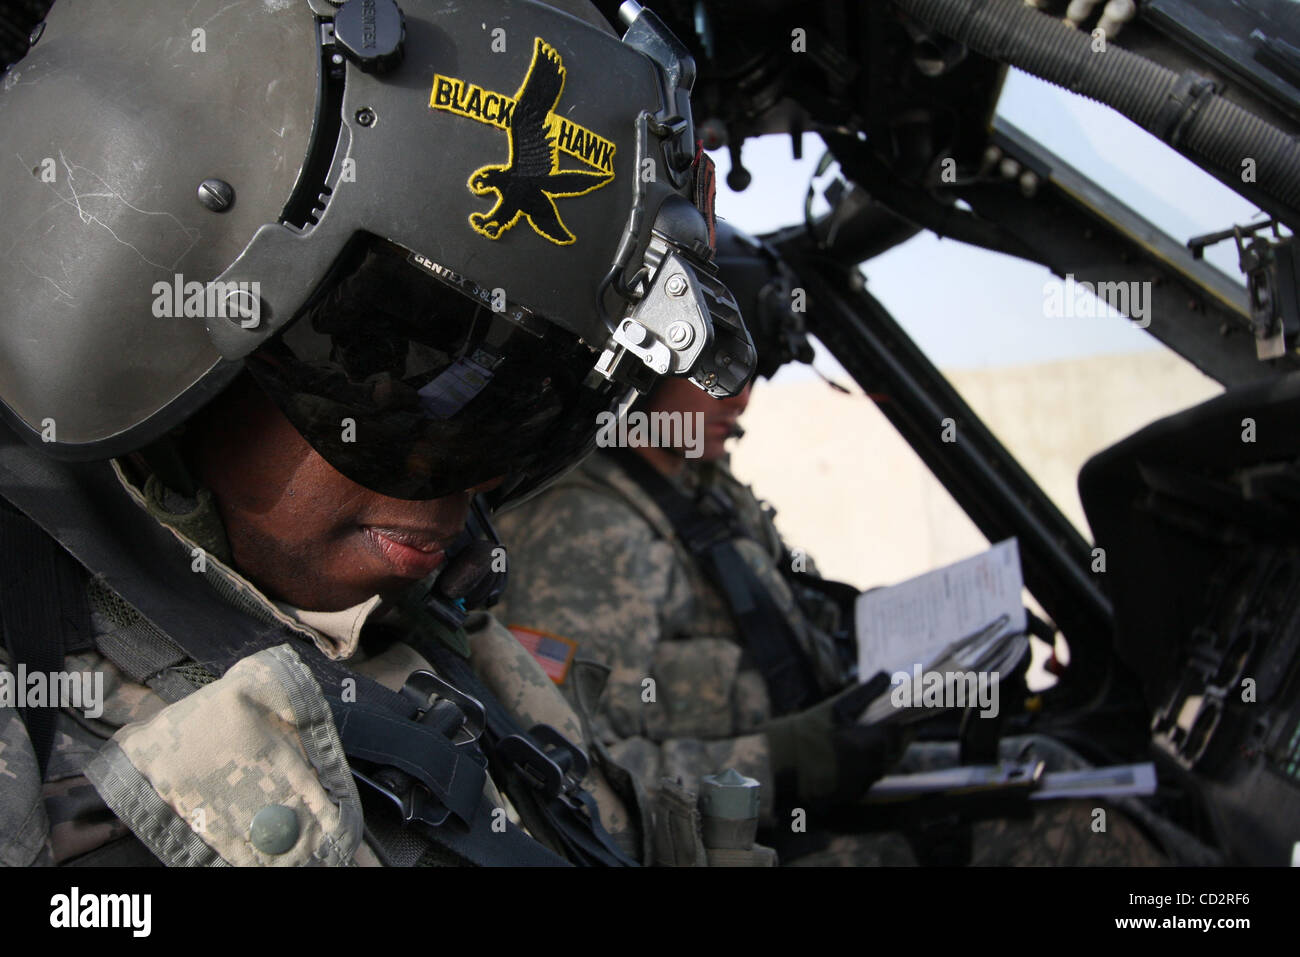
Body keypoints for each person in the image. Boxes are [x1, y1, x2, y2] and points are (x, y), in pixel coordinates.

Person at [0, 0, 755, 867]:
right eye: (405, 383)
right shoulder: (40, 738)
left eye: (536, 411)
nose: (462, 485)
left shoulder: (447, 638)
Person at [492, 221, 1169, 865]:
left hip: (814, 793)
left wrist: (930, 652)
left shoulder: (707, 490)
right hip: (737, 835)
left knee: (1065, 767)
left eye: (752, 373)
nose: (742, 399)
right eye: (718, 372)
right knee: (1084, 837)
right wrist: (788, 757)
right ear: (645, 367)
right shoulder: (581, 532)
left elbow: (790, 620)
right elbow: (575, 776)